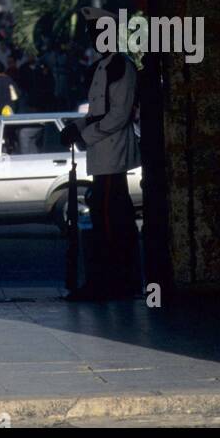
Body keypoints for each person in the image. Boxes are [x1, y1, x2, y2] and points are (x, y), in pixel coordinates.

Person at [61, 35, 141, 301]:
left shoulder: (121, 66)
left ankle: (110, 281)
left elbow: (118, 115)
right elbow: (96, 112)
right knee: (108, 216)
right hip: (102, 155)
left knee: (108, 218)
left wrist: (86, 135)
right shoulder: (103, 66)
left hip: (113, 151)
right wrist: (77, 128)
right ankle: (112, 280)